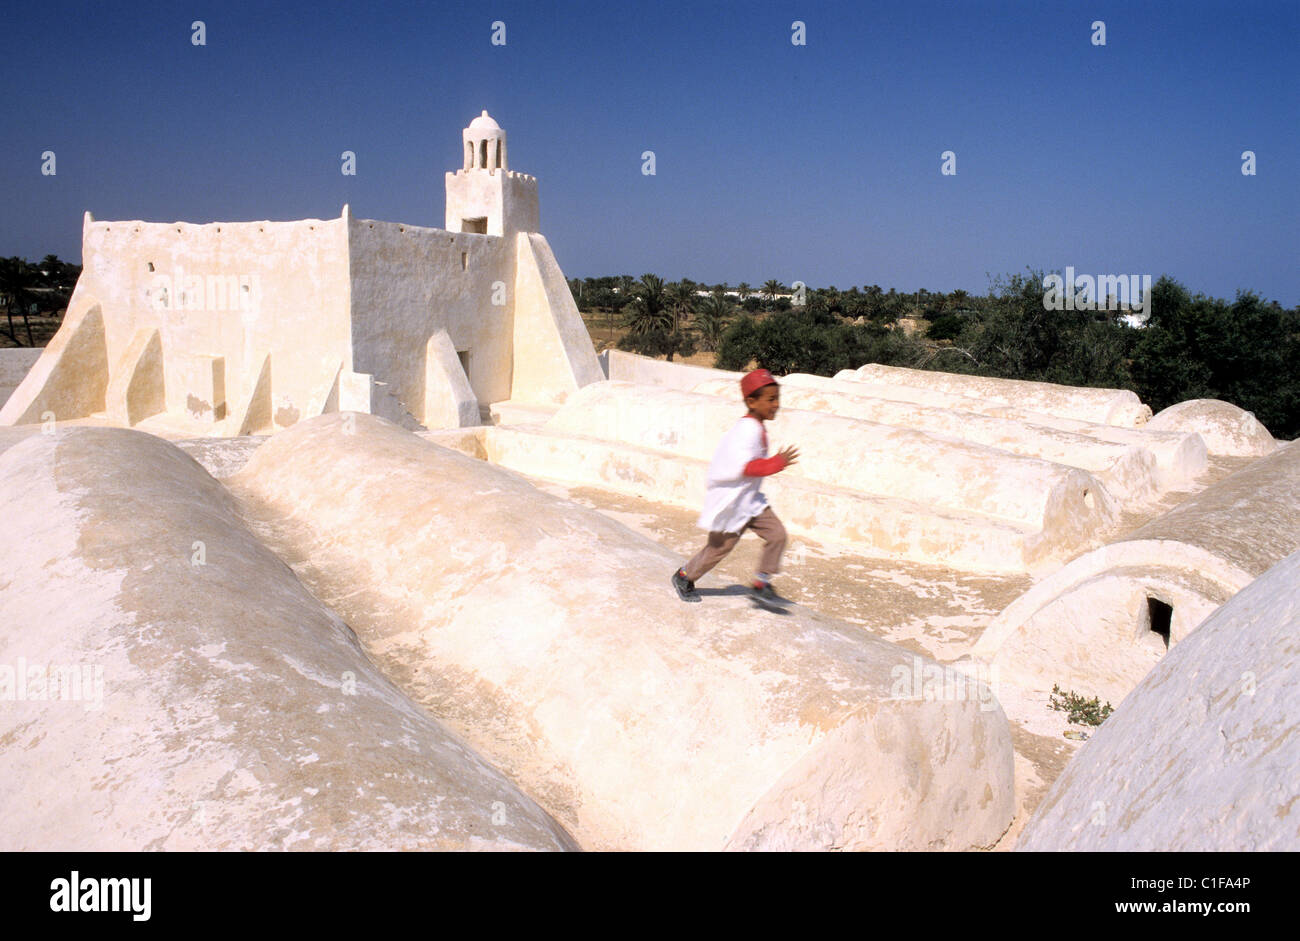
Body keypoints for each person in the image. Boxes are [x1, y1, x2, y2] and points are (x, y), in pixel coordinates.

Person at [672, 368, 799, 605]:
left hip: (750, 501)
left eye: (777, 398)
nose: (776, 405)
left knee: (777, 535)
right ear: (751, 401)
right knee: (719, 549)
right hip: (731, 502)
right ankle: (683, 576)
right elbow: (745, 466)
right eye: (770, 399)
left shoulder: (757, 426)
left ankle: (761, 583)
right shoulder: (746, 430)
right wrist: (775, 463)